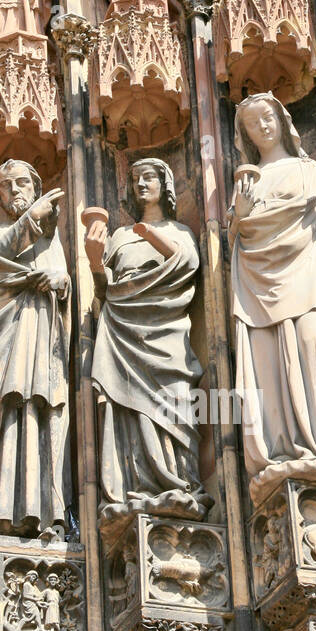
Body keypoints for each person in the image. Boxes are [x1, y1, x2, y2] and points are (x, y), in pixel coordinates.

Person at [228, 92, 316, 500]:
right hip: (258, 283)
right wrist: (242, 213)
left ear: (281, 120)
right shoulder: (247, 181)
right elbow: (235, 234)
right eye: (253, 123)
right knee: (267, 370)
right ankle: (280, 450)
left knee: (315, 353)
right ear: (246, 135)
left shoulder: (307, 169)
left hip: (308, 271)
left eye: (267, 117)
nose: (263, 126)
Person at [84, 158, 210, 524]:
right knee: (125, 409)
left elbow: (187, 264)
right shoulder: (120, 237)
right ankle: (132, 484)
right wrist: (95, 260)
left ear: (165, 184)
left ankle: (180, 481)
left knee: (173, 401)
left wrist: (150, 234)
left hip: (166, 333)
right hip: (122, 333)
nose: (141, 184)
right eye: (136, 178)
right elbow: (104, 290)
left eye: (149, 177)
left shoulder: (180, 230)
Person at [0, 159, 74, 539]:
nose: (15, 191)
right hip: (7, 344)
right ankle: (3, 512)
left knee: (41, 411)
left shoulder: (51, 243)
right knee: (4, 414)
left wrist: (60, 282)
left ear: (36, 185)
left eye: (23, 183)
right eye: (6, 185)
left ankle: (46, 512)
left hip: (43, 340)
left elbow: (64, 285)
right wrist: (32, 217)